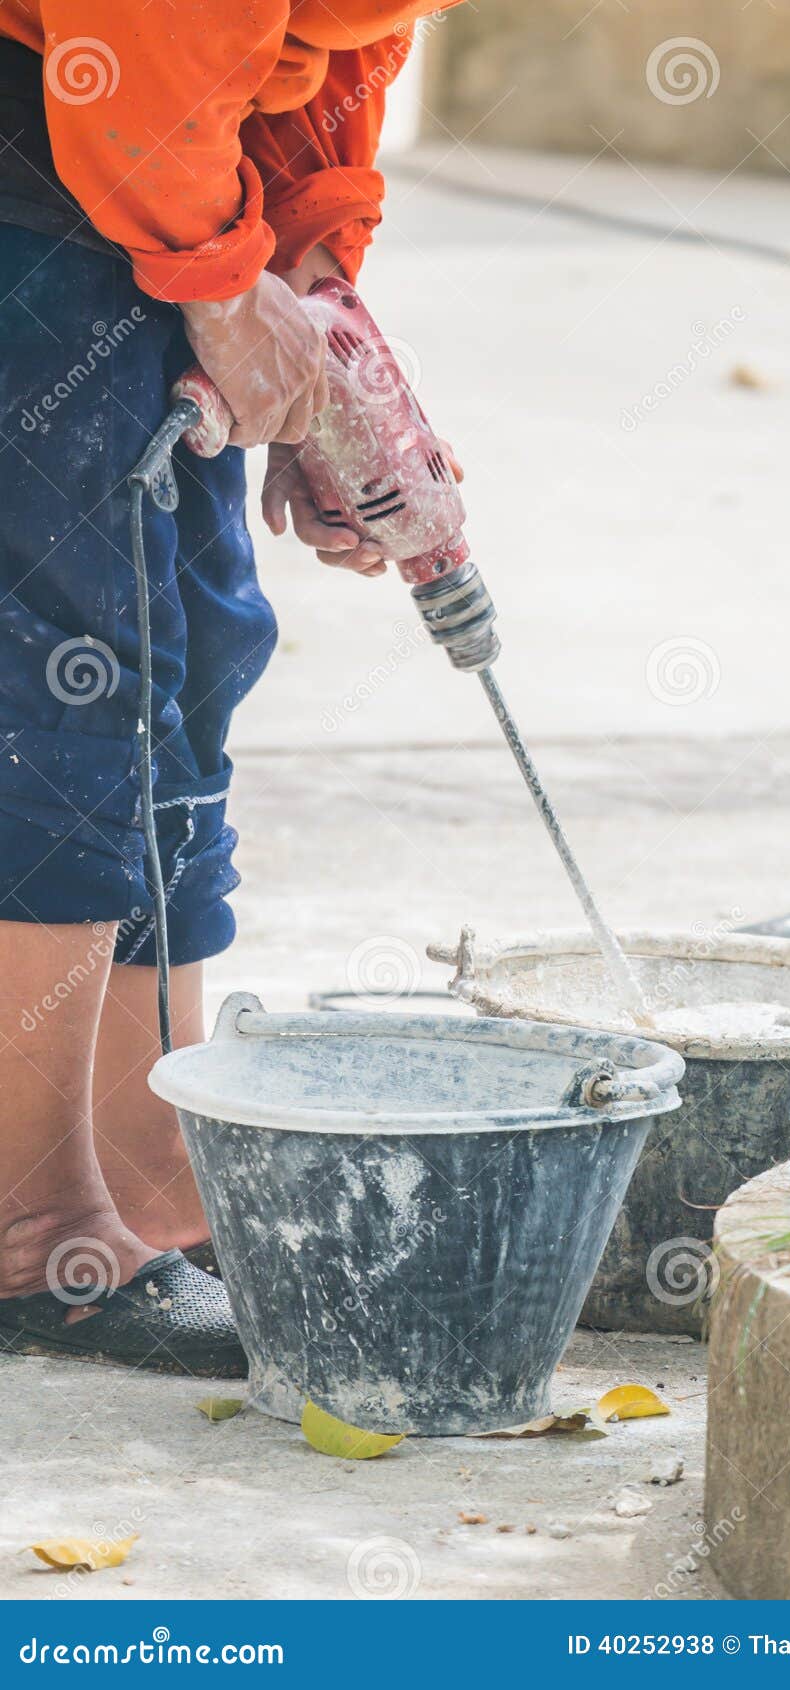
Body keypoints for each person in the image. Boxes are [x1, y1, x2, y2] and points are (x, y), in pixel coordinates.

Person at [0, 1, 459, 1374]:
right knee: (68, 676)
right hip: (52, 153)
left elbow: (321, 51)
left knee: (188, 647)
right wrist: (215, 277)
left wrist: (307, 290)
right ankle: (33, 1226)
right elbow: (145, 34)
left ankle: (152, 1174)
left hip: (156, 168)